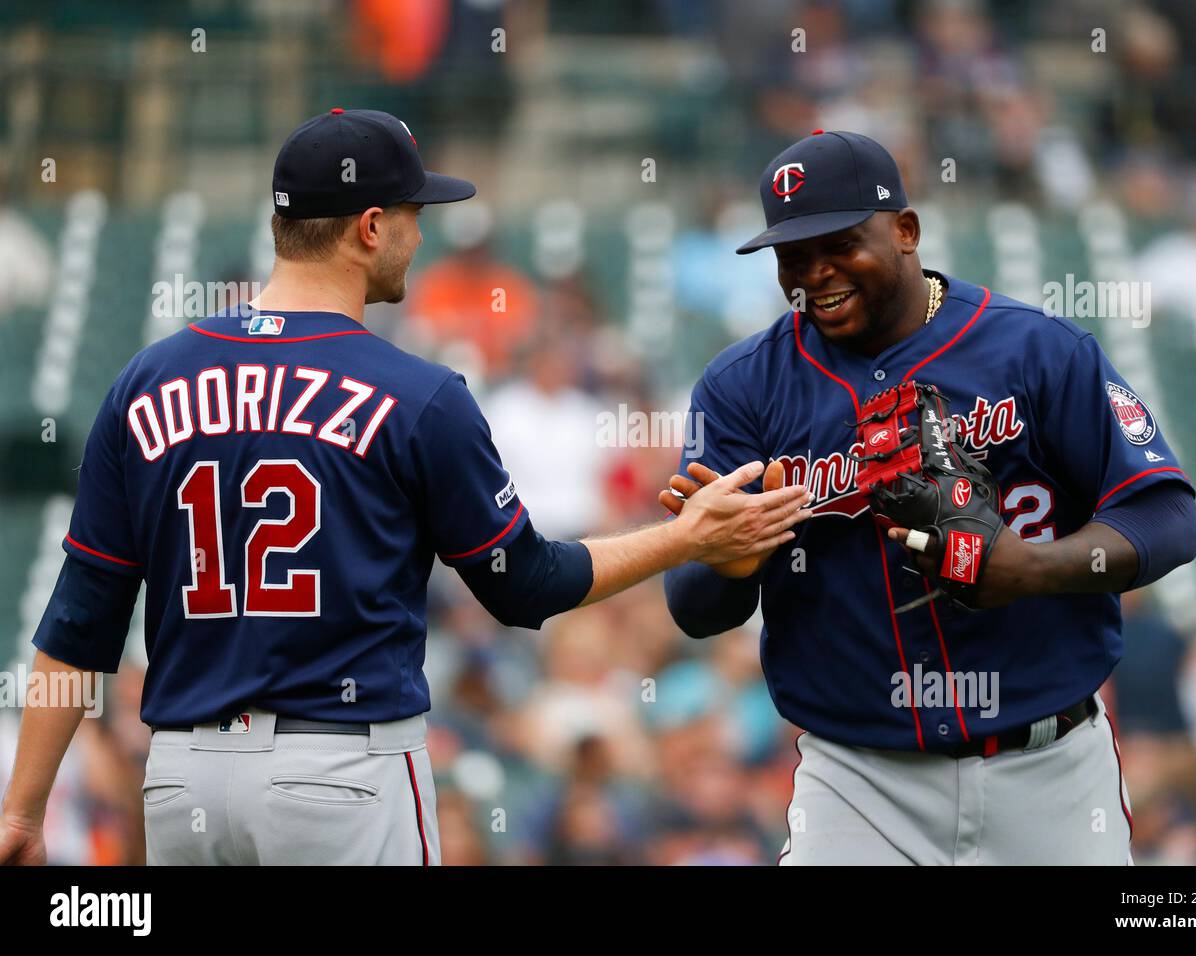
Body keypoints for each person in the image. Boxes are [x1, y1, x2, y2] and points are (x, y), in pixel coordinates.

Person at [0, 109, 810, 867]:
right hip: (339, 772)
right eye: (413, 213)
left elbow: (79, 620)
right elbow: (525, 585)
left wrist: (23, 812)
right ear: (370, 226)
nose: (420, 234)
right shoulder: (417, 393)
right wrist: (686, 538)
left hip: (182, 781)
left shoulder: (146, 381)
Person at [661, 130, 1196, 865]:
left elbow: (1169, 517)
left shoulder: (1037, 351)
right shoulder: (742, 392)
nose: (816, 274)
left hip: (1049, 768)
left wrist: (1030, 570)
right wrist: (732, 559)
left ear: (905, 231)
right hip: (858, 781)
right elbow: (695, 609)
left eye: (839, 244)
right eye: (793, 256)